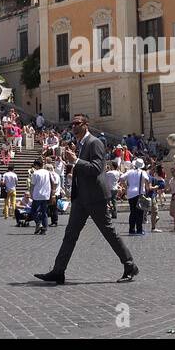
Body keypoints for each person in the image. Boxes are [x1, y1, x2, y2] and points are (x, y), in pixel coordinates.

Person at [34, 114, 137, 284]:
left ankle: (129, 265)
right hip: (81, 198)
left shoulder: (94, 142)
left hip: (95, 197)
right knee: (70, 235)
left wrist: (76, 161)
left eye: (77, 123)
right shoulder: (81, 145)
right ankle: (58, 271)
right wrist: (74, 161)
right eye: (72, 124)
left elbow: (97, 168)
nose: (73, 126)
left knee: (109, 232)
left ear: (86, 125)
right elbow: (82, 167)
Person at [123, 159, 151, 235]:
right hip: (139, 194)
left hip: (130, 194)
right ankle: (139, 229)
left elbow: (121, 178)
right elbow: (147, 180)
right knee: (140, 213)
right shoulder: (143, 172)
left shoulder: (129, 171)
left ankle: (131, 229)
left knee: (132, 212)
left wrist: (126, 187)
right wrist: (147, 189)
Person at [29, 159, 52, 235]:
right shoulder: (47, 172)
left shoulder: (36, 173)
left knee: (33, 211)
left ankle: (38, 223)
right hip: (46, 195)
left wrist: (31, 193)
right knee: (44, 212)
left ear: (36, 165)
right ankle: (44, 228)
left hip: (38, 195)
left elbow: (32, 185)